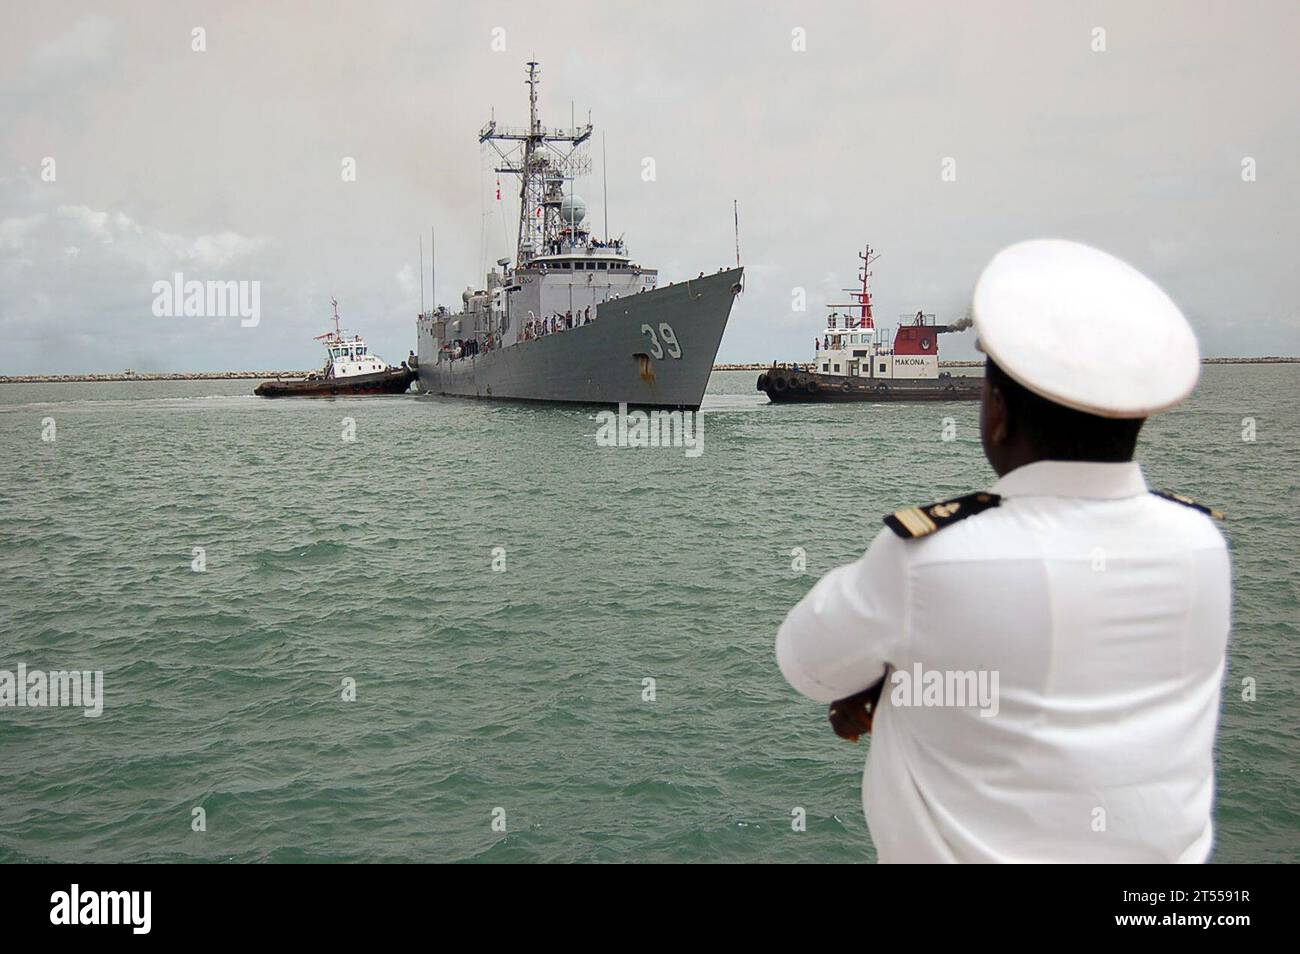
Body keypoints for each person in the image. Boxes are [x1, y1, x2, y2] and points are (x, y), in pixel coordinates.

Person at [776, 239, 1229, 863]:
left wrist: (899, 685)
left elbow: (805, 663)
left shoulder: (929, 560)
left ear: (998, 414)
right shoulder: (1202, 546)